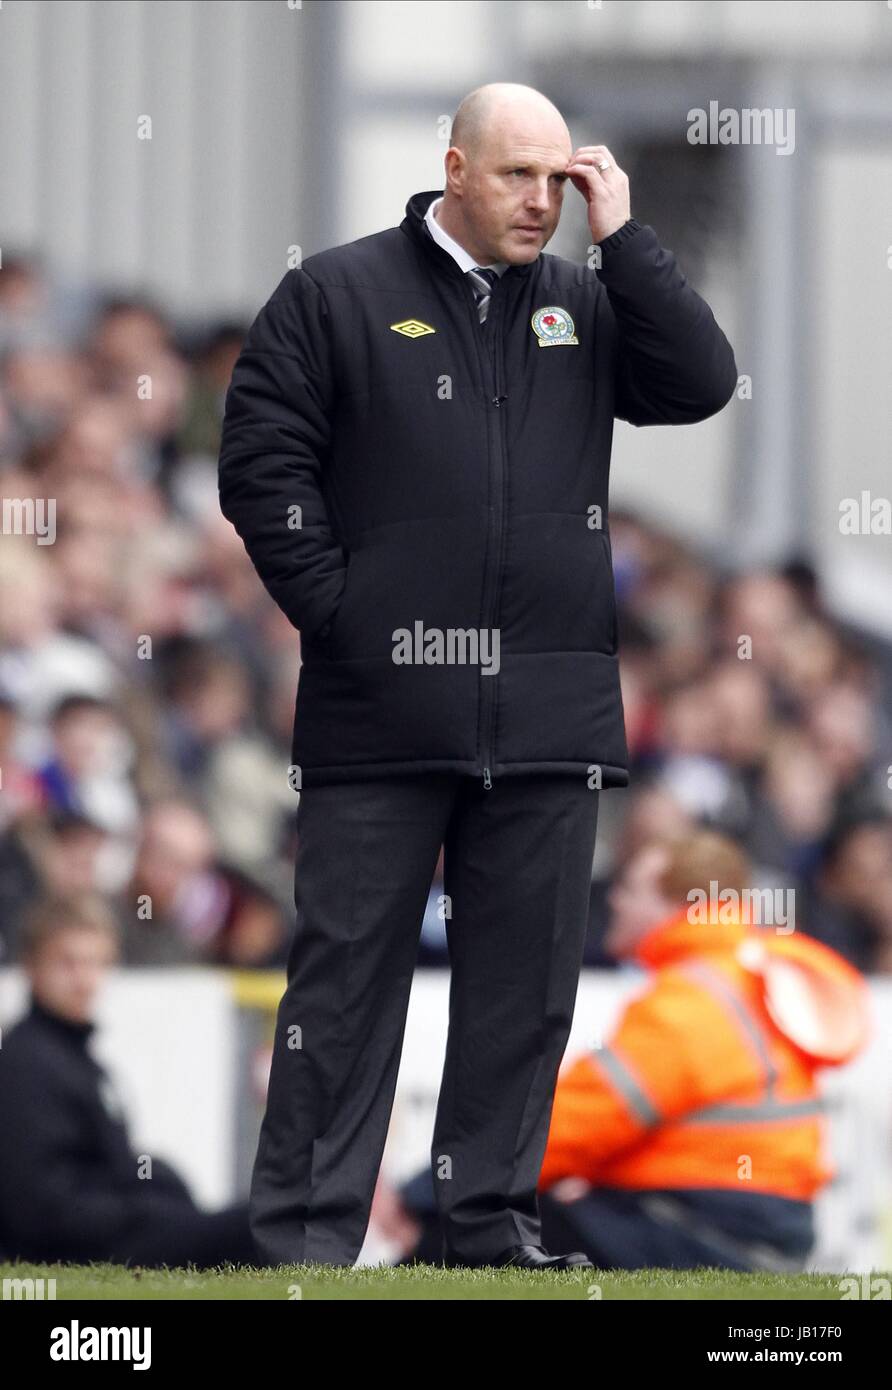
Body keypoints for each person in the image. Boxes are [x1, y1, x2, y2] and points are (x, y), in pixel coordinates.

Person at [218, 81, 737, 1269]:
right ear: (453, 168)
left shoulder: (587, 302)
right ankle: (304, 1239)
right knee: (343, 991)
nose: (540, 201)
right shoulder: (335, 292)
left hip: (551, 716)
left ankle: (488, 1234)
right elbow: (261, 464)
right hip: (380, 706)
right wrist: (344, 619)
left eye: (559, 179)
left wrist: (626, 239)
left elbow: (702, 380)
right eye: (517, 176)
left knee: (521, 998)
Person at [535, 832, 871, 1270]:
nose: (614, 900)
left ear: (678, 906)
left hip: (708, 1230)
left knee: (497, 1233)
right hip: (759, 1230)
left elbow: (573, 1126)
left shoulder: (689, 1001)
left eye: (632, 890)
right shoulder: (745, 978)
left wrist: (452, 1191)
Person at [0, 894, 254, 1268]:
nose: (84, 979)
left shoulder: (78, 1058)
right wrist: (147, 1211)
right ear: (33, 966)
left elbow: (113, 1165)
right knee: (253, 1226)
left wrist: (162, 1185)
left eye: (96, 963)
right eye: (68, 963)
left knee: (249, 1220)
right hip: (75, 1250)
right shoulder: (25, 1063)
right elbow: (41, 1207)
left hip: (113, 1230)